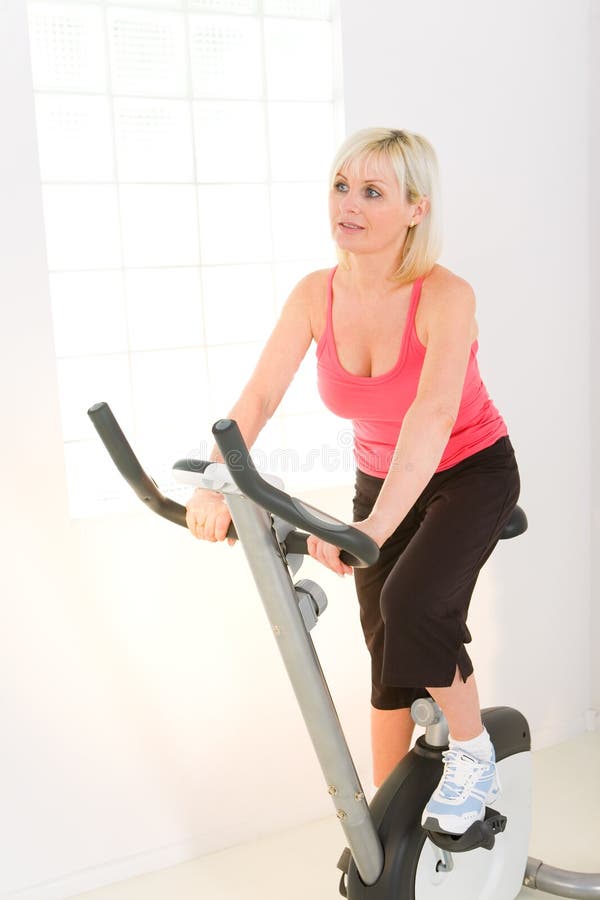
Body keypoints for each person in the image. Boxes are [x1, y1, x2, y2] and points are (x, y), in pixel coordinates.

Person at [185, 127, 520, 836]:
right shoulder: (317, 294)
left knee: (412, 605)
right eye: (342, 186)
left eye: (372, 192)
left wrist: (369, 529)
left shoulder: (446, 296)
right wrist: (215, 480)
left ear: (416, 209)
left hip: (469, 470)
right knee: (386, 646)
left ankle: (474, 754)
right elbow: (258, 398)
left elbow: (432, 418)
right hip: (381, 475)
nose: (349, 204)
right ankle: (385, 824)